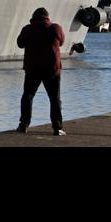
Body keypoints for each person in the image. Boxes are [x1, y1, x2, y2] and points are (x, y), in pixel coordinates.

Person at [16, 7, 66, 136]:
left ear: (33, 17)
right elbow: (61, 42)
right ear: (47, 17)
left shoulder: (28, 29)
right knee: (55, 99)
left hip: (33, 68)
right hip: (52, 69)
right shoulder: (55, 28)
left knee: (28, 96)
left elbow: (20, 44)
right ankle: (57, 128)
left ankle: (24, 125)